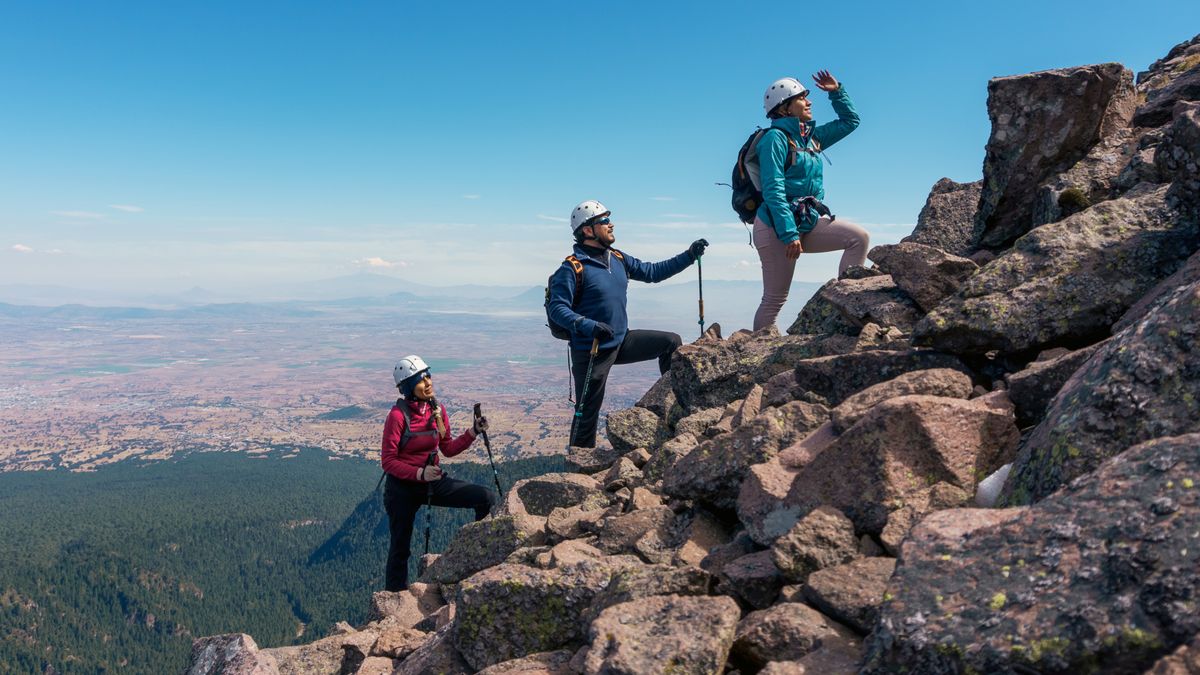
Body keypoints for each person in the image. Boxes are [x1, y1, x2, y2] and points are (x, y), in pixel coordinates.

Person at [547, 200, 708, 448]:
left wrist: (689, 255)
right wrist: (587, 325)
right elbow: (557, 308)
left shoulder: (618, 258)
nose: (611, 224)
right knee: (587, 412)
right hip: (592, 350)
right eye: (603, 221)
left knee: (671, 342)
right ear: (588, 230)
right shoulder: (572, 268)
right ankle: (579, 467)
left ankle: (673, 405)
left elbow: (653, 272)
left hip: (622, 339)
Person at [753, 70, 869, 331]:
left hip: (805, 221)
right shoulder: (775, 139)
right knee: (774, 300)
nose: (809, 101)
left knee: (858, 238)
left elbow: (850, 121)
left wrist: (837, 92)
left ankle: (848, 310)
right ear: (784, 108)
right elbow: (773, 190)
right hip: (776, 227)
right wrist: (788, 232)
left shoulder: (810, 139)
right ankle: (757, 360)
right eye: (802, 97)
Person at [380, 355, 496, 591]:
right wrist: (420, 473)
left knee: (485, 498)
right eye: (421, 379)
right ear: (408, 387)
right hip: (402, 488)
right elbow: (388, 461)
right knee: (400, 548)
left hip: (432, 481)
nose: (428, 382)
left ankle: (479, 559)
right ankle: (394, 600)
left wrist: (473, 432)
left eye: (428, 376)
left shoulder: (437, 409)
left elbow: (448, 448)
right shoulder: (397, 416)